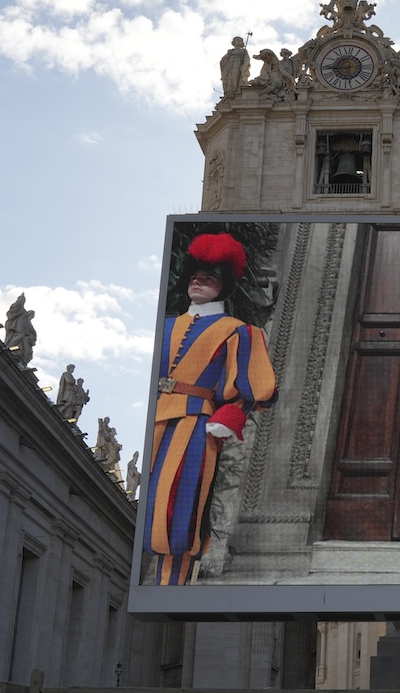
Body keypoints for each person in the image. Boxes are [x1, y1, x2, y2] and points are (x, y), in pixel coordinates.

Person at [144, 232, 277, 585]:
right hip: (152, 419)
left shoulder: (239, 331)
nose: (199, 282)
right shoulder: (165, 326)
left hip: (194, 425)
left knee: (180, 509)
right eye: (195, 276)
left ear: (224, 285)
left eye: (209, 277)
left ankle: (171, 586)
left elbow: (251, 387)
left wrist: (228, 418)